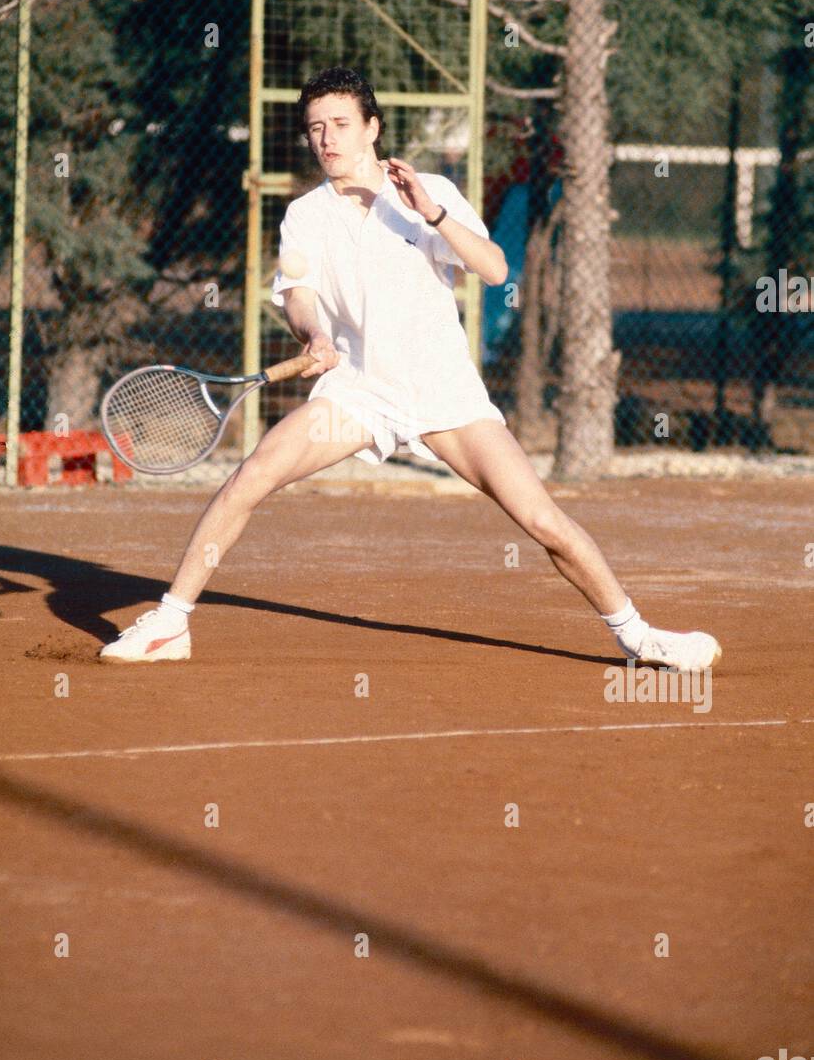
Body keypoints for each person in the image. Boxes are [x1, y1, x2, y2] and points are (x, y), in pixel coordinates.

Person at [99, 66, 721, 671]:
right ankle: (171, 620)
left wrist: (432, 212)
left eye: (340, 123)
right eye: (315, 127)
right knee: (250, 478)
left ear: (372, 128)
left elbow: (497, 271)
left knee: (541, 521)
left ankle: (640, 638)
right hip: (359, 394)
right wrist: (314, 333)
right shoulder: (303, 216)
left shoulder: (429, 195)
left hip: (445, 394)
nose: (327, 138)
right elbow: (298, 294)